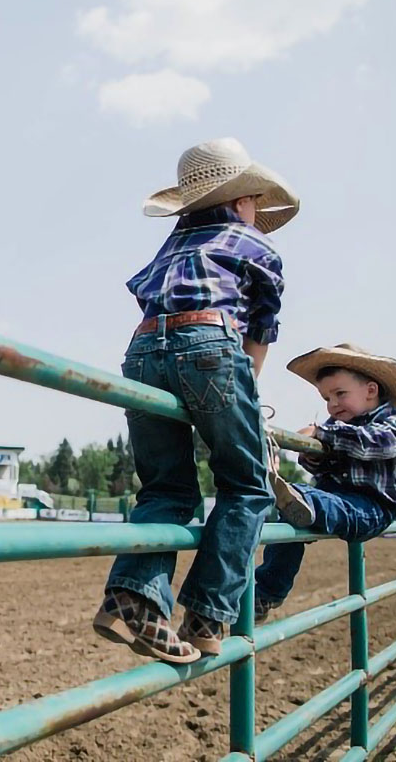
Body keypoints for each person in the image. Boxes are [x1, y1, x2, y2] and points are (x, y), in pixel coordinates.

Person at [93, 137, 300, 663]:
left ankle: (132, 597)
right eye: (253, 200)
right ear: (239, 202)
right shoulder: (257, 247)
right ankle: (209, 617)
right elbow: (259, 335)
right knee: (248, 486)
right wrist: (248, 400)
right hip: (210, 343)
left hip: (142, 348)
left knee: (165, 486)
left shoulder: (172, 245)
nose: (256, 211)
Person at [254, 344, 396, 622]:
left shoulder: (392, 426)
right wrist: (312, 452)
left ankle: (303, 506)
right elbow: (321, 463)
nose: (332, 404)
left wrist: (321, 433)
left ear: (370, 390)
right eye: (327, 397)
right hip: (332, 497)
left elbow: (369, 445)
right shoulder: (337, 425)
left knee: (312, 503)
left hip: (371, 509)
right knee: (291, 519)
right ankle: (267, 592)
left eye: (340, 394)